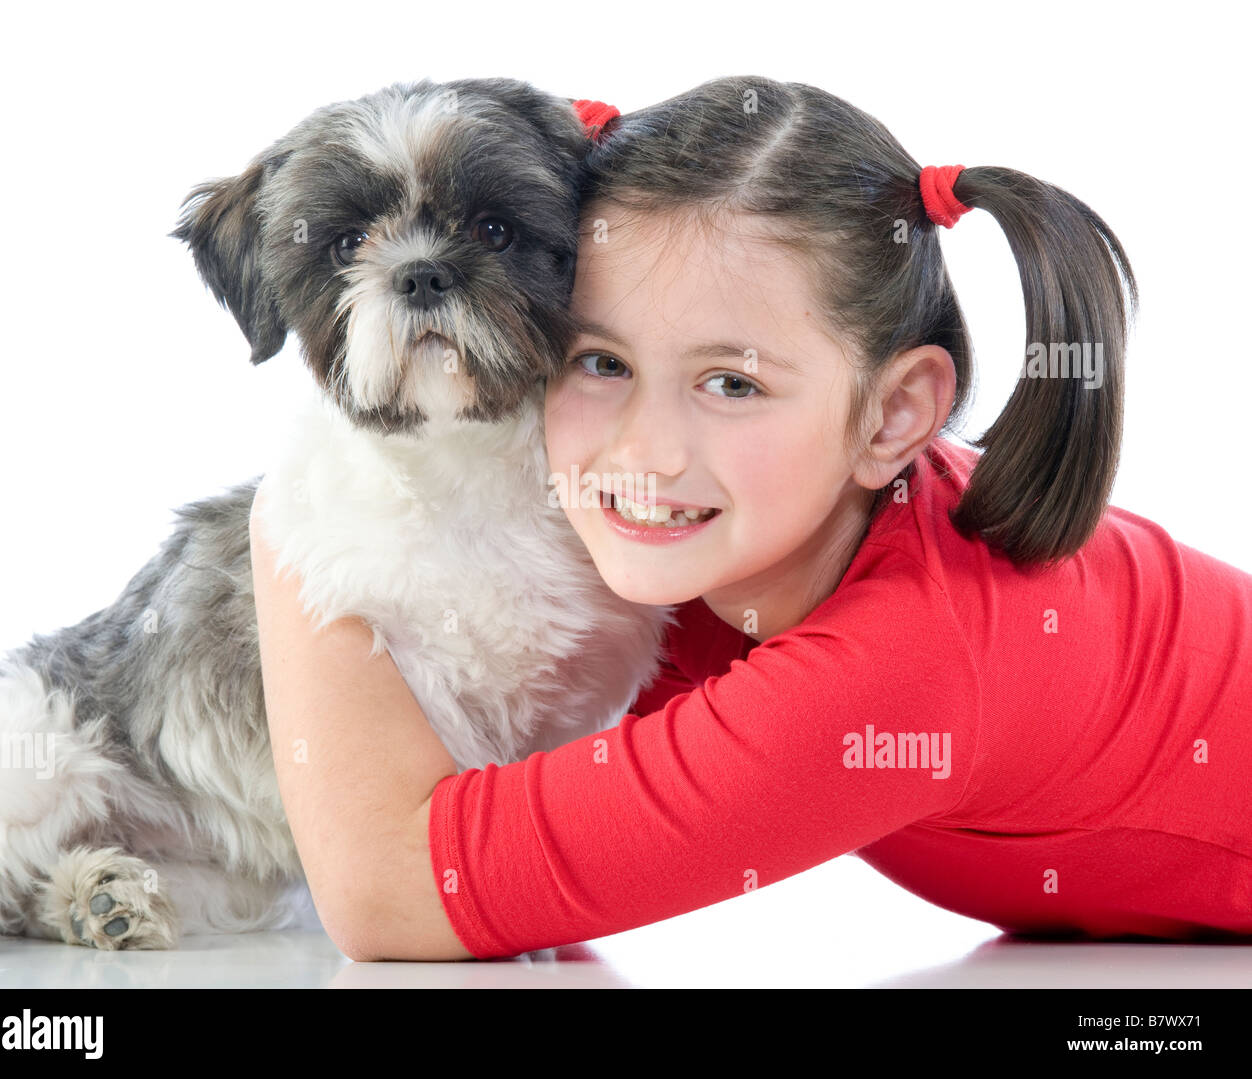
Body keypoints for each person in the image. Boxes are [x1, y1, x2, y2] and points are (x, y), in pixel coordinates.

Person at [249, 76, 1252, 962]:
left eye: (730, 383)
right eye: (600, 361)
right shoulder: (696, 545)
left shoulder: (901, 666)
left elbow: (395, 889)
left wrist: (299, 508)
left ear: (894, 414)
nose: (646, 451)